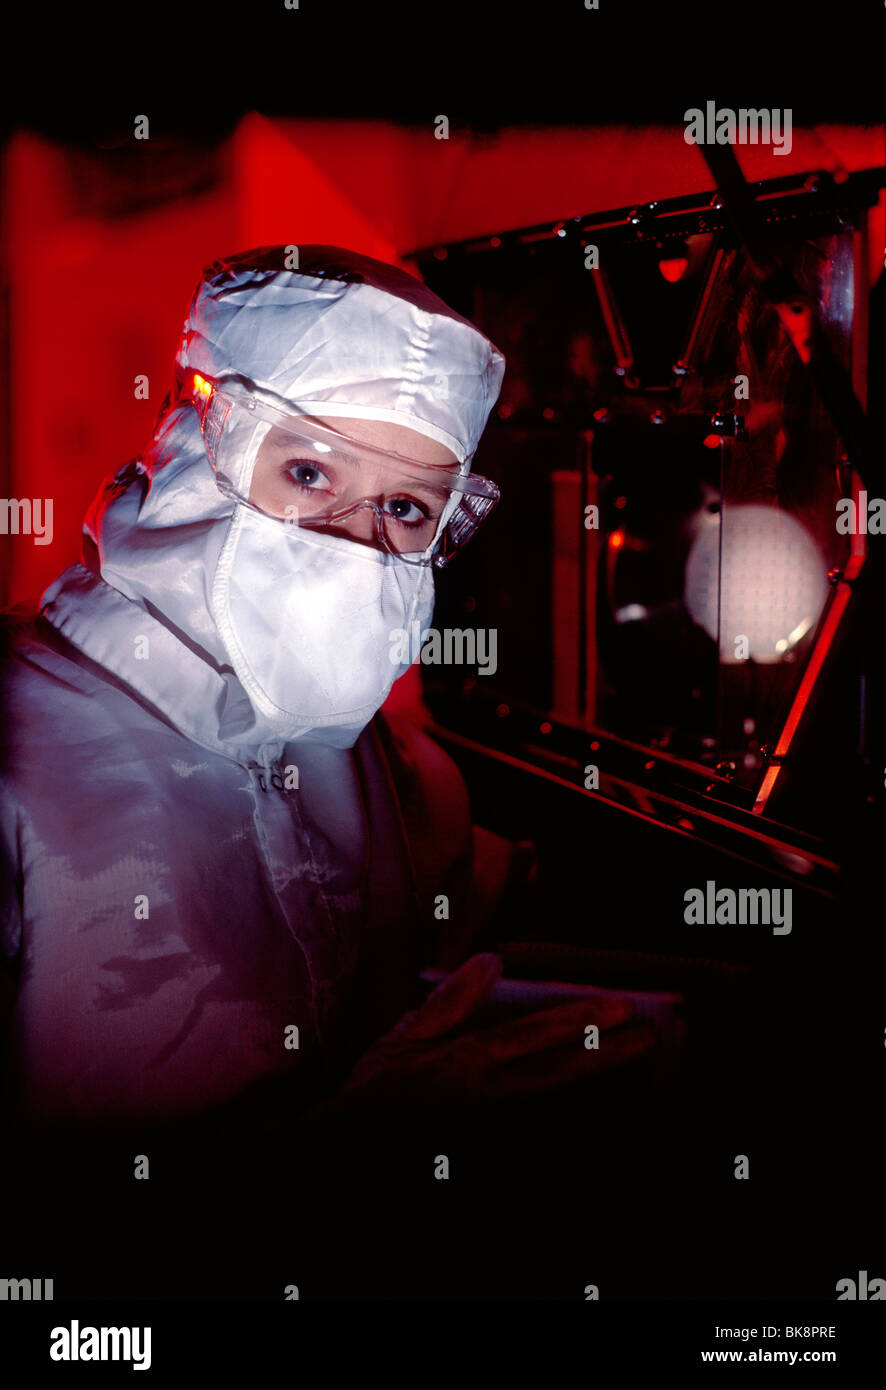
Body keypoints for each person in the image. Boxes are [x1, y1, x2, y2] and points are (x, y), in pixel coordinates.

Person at [0, 245, 651, 1135]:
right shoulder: (18, 756)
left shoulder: (375, 764)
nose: (356, 547)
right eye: (310, 474)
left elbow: (487, 925)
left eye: (408, 508)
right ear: (196, 439)